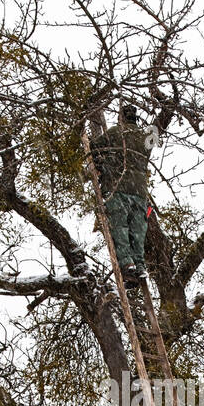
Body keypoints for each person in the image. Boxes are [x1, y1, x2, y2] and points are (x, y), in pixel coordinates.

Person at [92, 103, 154, 288]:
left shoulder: (115, 132)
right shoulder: (145, 137)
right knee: (137, 233)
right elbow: (154, 135)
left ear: (121, 117)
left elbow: (93, 147)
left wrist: (101, 164)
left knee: (120, 229)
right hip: (140, 192)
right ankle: (139, 266)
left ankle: (128, 267)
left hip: (117, 187)